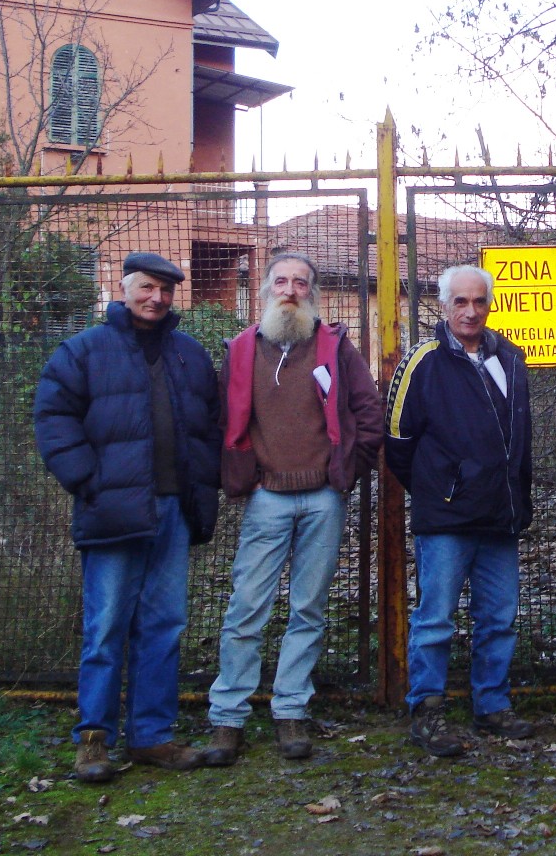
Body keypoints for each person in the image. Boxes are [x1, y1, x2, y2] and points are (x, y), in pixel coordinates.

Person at [34, 252, 223, 782]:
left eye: (165, 290)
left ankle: (151, 737)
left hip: (174, 511)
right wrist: (88, 481)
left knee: (164, 626)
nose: (156, 299)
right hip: (112, 511)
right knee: (105, 628)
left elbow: (210, 424)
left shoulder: (189, 354)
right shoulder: (83, 351)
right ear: (123, 288)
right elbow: (52, 416)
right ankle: (93, 740)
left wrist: (203, 481)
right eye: (146, 287)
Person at [204, 253, 384, 765]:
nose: (290, 290)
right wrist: (246, 474)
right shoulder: (241, 349)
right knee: (246, 608)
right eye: (281, 281)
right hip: (267, 497)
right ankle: (228, 717)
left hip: (324, 498)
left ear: (313, 293)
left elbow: (369, 414)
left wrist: (344, 472)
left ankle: (290, 710)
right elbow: (221, 420)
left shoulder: (336, 347)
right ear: (265, 289)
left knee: (308, 609)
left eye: (300, 283)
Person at [384, 264, 534, 757]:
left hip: (501, 517)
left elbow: (521, 439)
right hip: (446, 520)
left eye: (479, 301)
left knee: (499, 618)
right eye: (460, 302)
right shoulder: (422, 361)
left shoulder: (511, 357)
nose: (471, 311)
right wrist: (441, 489)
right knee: (435, 620)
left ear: (490, 304)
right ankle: (427, 710)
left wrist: (518, 499)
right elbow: (397, 441)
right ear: (444, 305)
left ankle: (492, 705)